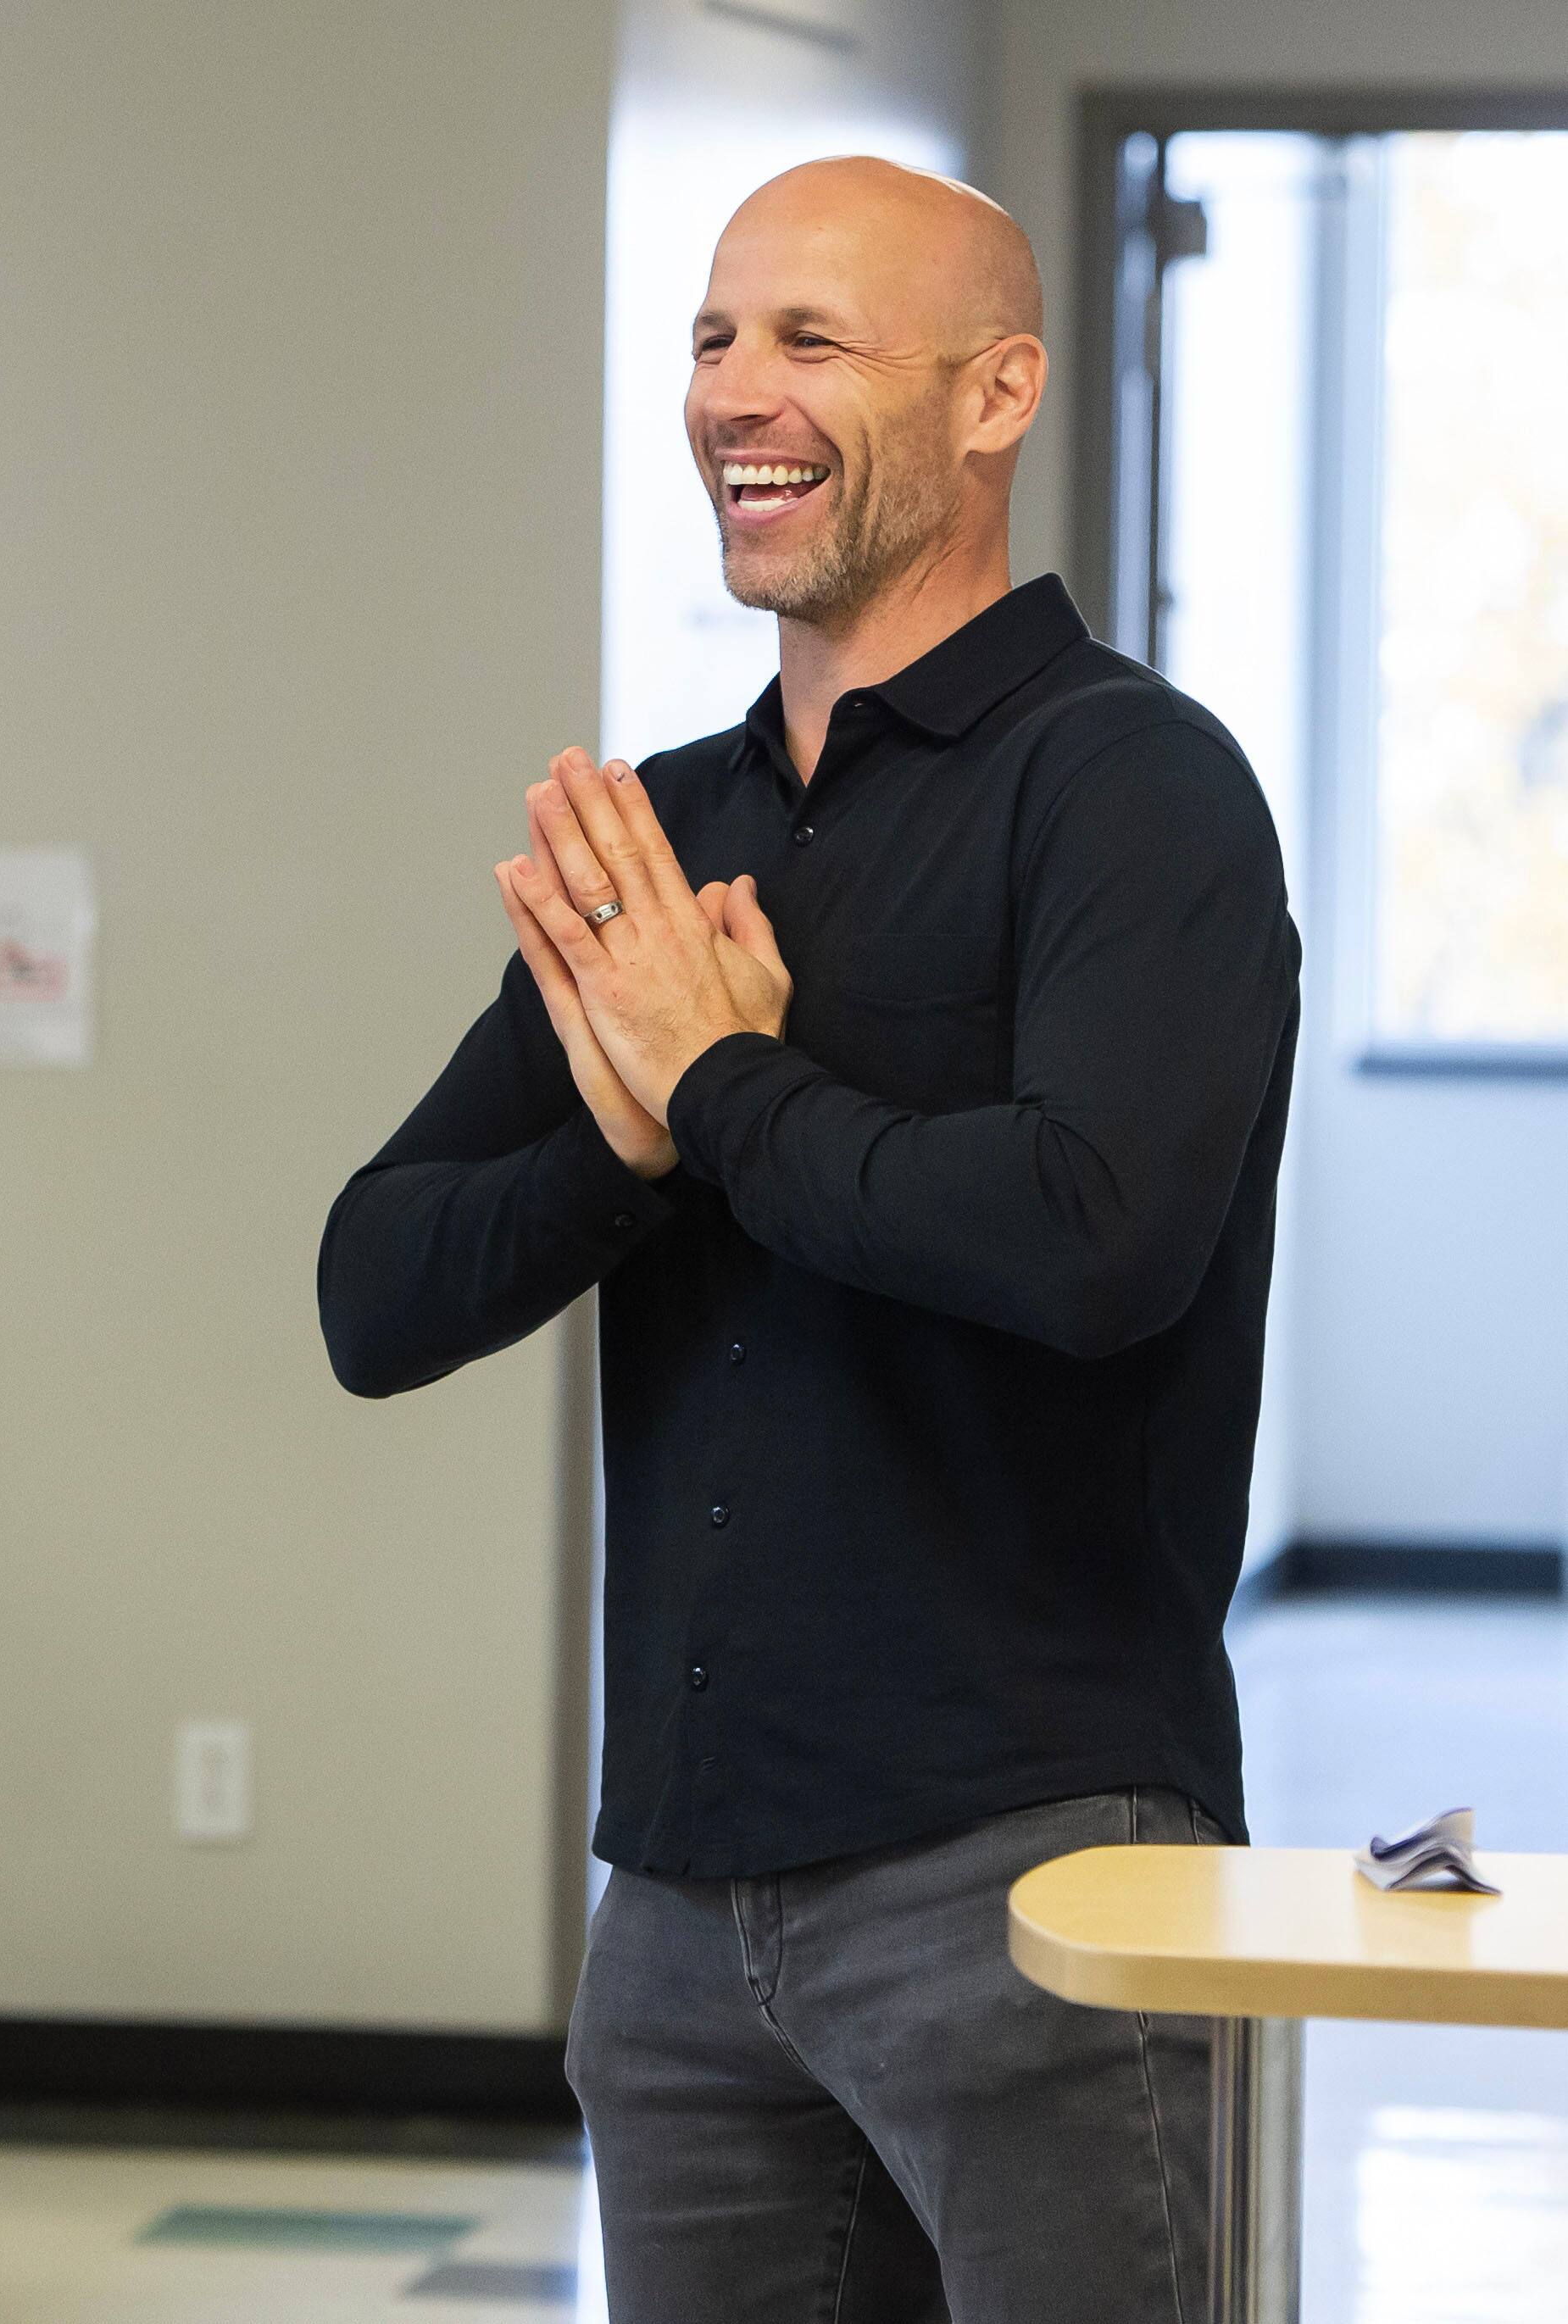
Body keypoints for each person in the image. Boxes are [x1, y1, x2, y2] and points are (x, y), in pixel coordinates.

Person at [317, 158, 1299, 2322]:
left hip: (1031, 1866)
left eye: (807, 339)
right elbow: (370, 1293)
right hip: (674, 1909)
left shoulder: (1131, 787)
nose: (731, 393)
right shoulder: (659, 838)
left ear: (992, 393)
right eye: (706, 336)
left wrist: (728, 1089)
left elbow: (1087, 1237)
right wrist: (625, 1124)